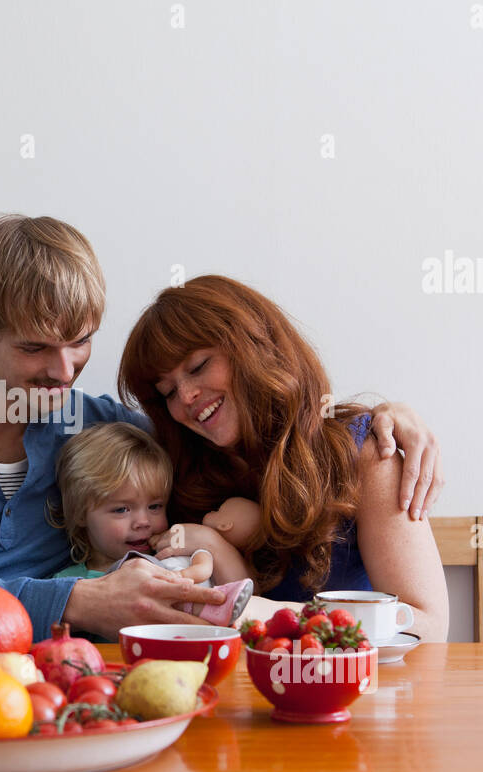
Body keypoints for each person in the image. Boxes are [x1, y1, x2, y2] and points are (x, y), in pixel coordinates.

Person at [0, 215, 444, 641]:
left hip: (87, 683)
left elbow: (273, 448)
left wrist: (387, 418)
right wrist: (79, 601)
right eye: (35, 348)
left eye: (80, 343)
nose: (62, 372)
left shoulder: (109, 431)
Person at [118, 275, 450, 641]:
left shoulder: (365, 453)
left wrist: (262, 611)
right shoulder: (179, 476)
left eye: (198, 366)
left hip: (358, 691)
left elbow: (430, 627)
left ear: (254, 346)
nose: (186, 397)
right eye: (167, 392)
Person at [47, 421, 254, 626]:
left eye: (155, 506)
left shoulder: (172, 556)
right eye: (121, 509)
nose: (143, 522)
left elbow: (244, 596)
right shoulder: (70, 585)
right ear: (80, 514)